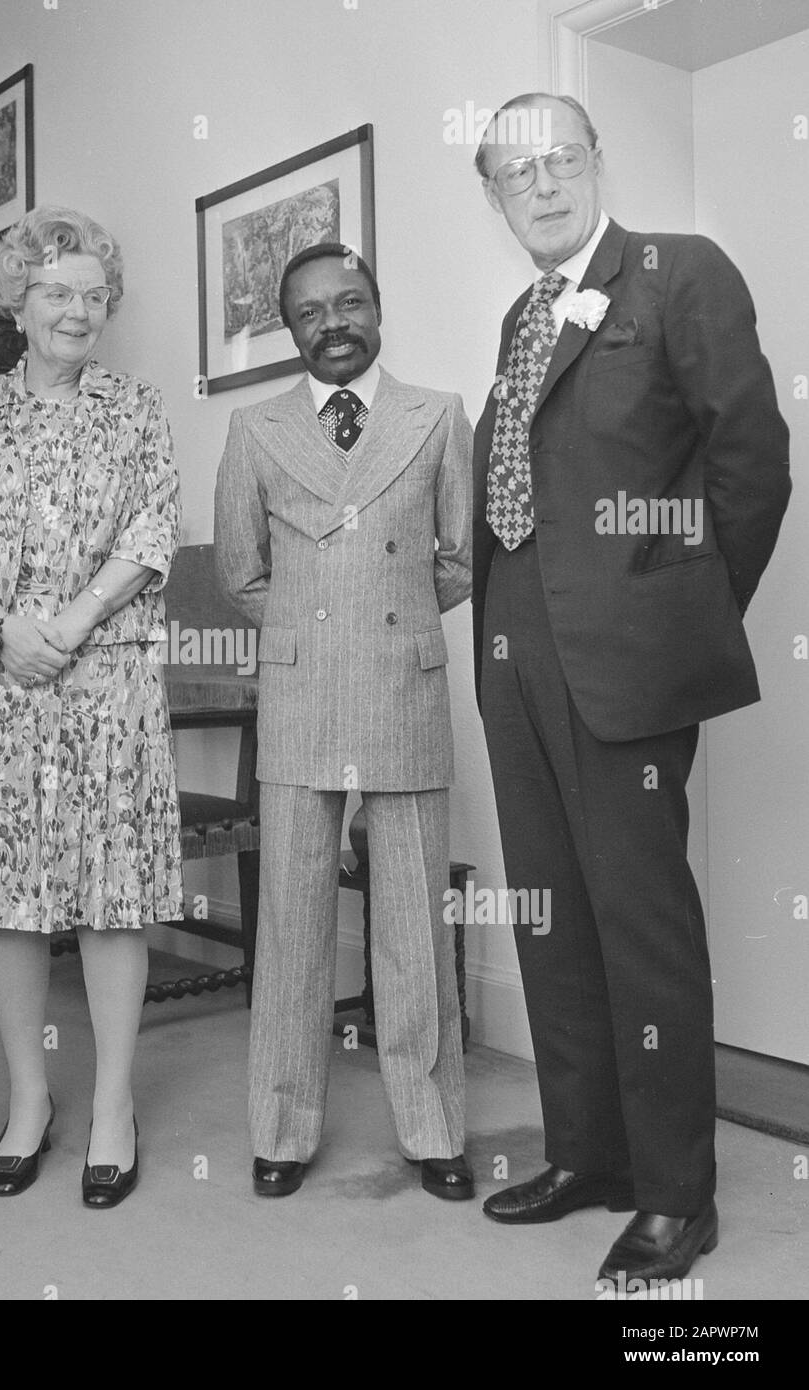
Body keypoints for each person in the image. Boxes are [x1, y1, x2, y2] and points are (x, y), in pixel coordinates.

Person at [471, 94, 790, 1283]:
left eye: (560, 160)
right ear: (492, 197)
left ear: (596, 161)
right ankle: (585, 1154)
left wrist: (680, 615)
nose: (542, 185)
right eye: (515, 173)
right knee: (549, 915)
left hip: (626, 661)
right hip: (513, 650)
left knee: (640, 925)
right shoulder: (519, 312)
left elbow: (749, 464)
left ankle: (672, 1193)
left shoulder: (678, 273)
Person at [0, 206, 182, 1210]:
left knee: (111, 886)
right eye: (56, 291)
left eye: (92, 293)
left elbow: (154, 528)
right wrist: (2, 630)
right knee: (7, 891)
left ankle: (111, 1105)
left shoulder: (137, 406)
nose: (77, 309)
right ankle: (28, 1099)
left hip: (103, 667)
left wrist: (68, 622)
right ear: (17, 302)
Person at [215, 243, 473, 1200]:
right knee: (291, 918)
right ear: (290, 328)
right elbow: (241, 571)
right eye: (312, 311)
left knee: (411, 917)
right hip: (299, 686)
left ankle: (435, 1126)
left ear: (377, 307)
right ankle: (282, 1127)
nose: (334, 322)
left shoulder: (439, 416)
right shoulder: (254, 427)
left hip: (404, 678)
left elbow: (459, 556)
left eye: (351, 302)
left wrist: (384, 615)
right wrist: (316, 630)